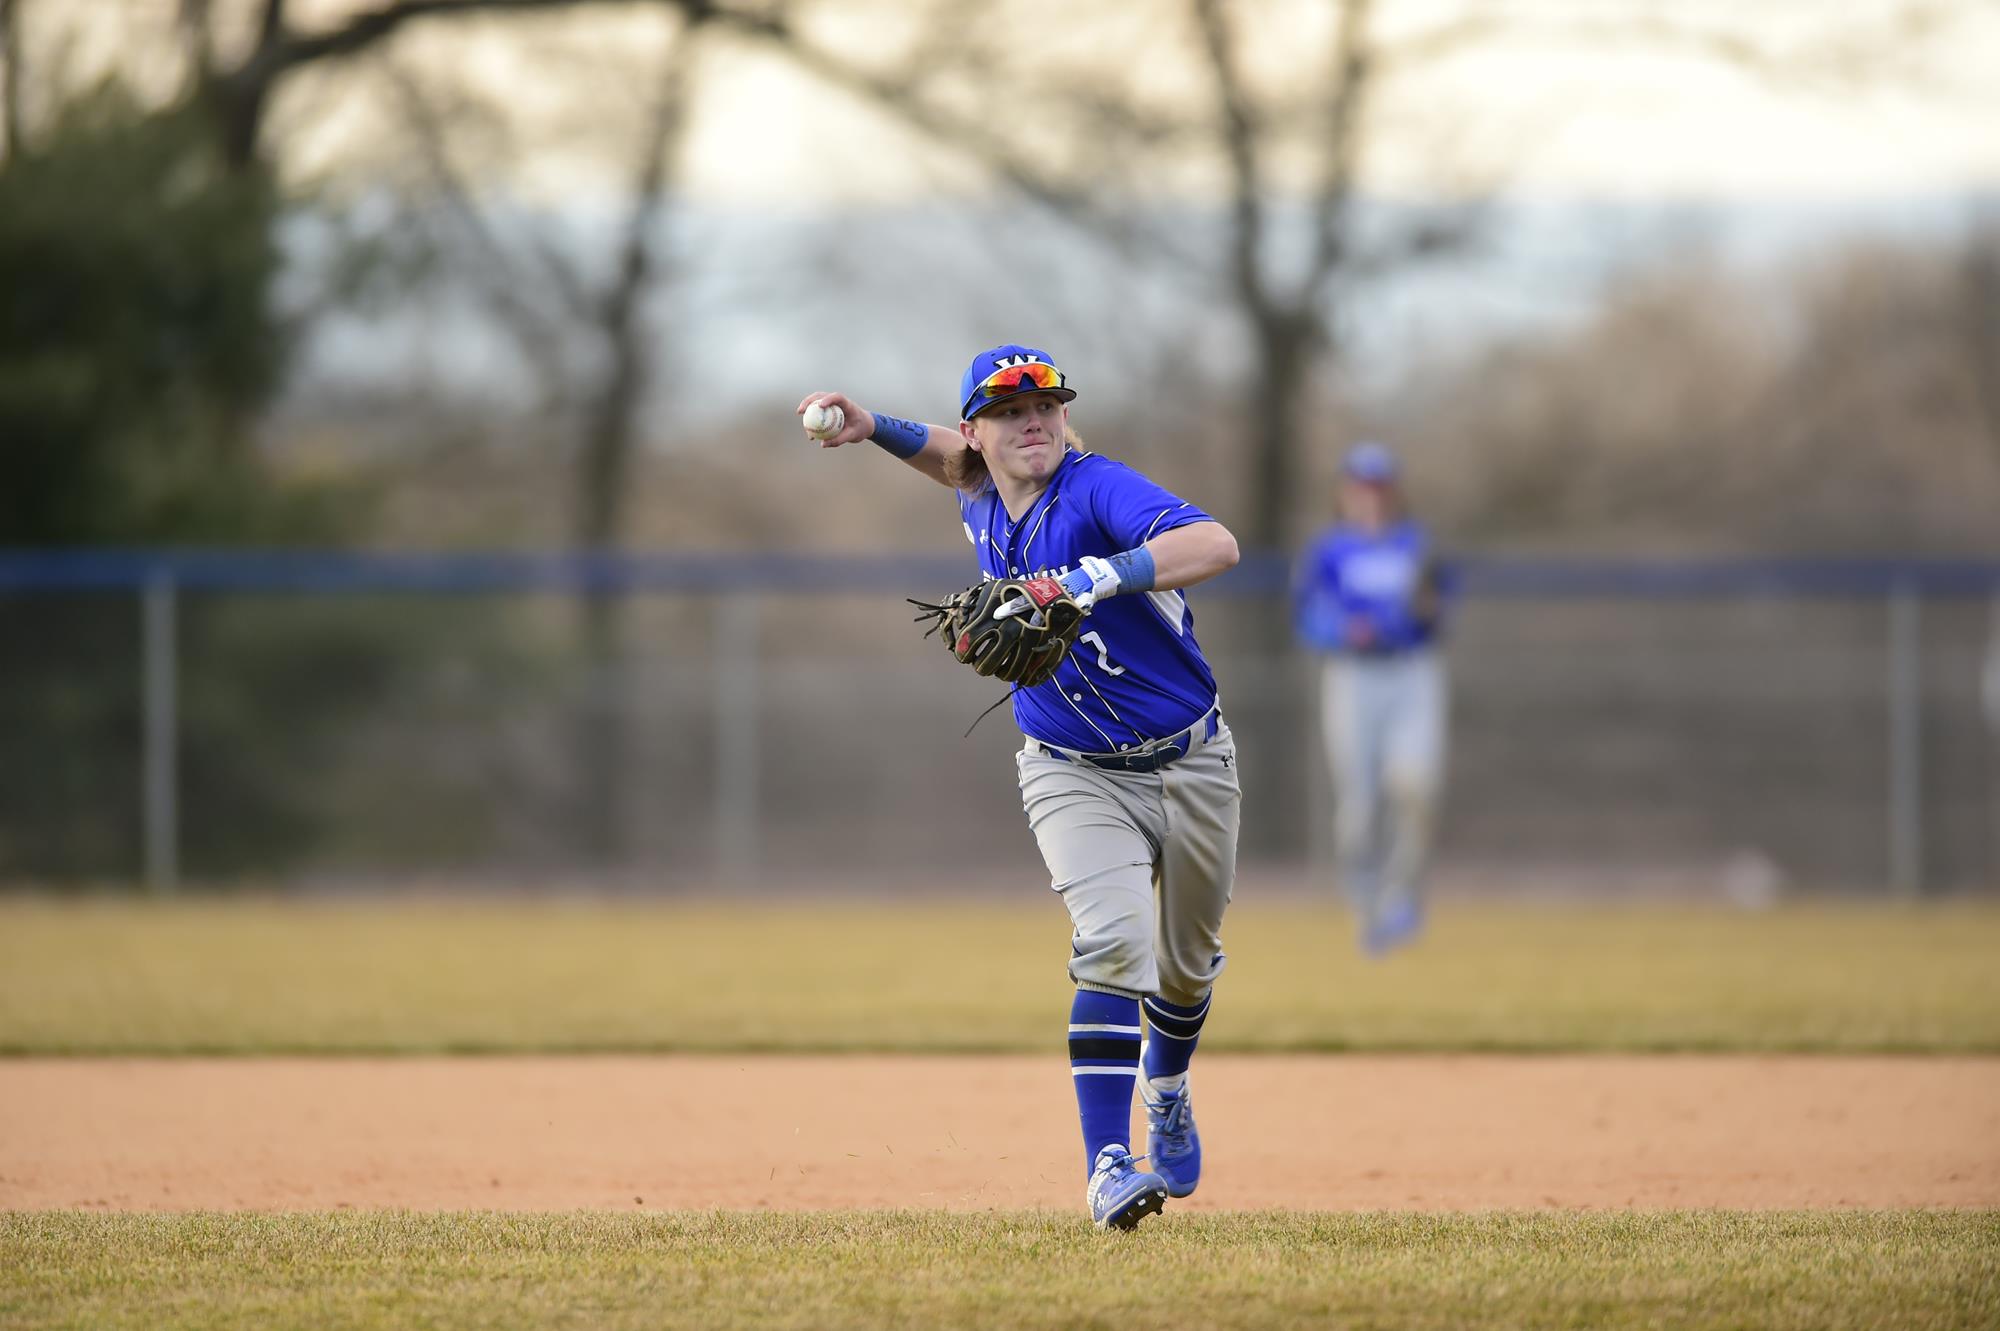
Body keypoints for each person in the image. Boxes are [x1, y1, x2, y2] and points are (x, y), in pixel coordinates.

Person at [798, 345, 1241, 1231]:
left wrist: (1090, 577)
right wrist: (870, 426)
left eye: (1046, 403)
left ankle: (1166, 1087)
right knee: (1115, 942)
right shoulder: (978, 489)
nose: (1031, 420)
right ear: (979, 433)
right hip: (1068, 768)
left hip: (1193, 759)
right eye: (1007, 410)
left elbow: (1215, 543)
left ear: (1067, 419)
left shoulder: (1096, 489)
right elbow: (946, 457)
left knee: (1185, 973)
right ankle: (1108, 1167)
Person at [1293, 441, 1452, 956]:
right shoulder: (1330, 550)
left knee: (1415, 787)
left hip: (1410, 674)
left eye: (1379, 486)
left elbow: (1439, 609)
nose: (1371, 496)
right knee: (1358, 808)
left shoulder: (1416, 544)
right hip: (1353, 677)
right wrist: (1344, 629)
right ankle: (1368, 907)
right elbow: (1309, 617)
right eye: (1361, 486)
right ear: (1345, 493)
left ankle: (1403, 898)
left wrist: (1421, 614)